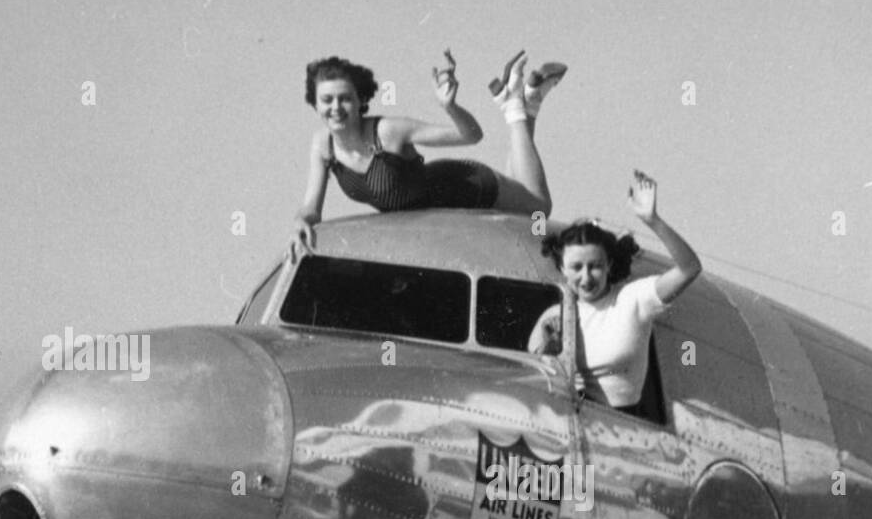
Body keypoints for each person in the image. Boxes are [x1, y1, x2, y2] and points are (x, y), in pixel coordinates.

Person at [290, 51, 565, 257]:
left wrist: (450, 106)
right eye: (326, 100)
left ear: (361, 99)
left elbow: (470, 136)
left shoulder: (388, 131)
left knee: (538, 210)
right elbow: (311, 208)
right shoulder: (322, 146)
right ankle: (522, 100)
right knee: (523, 200)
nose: (335, 107)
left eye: (345, 98)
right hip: (439, 215)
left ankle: (515, 106)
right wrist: (300, 222)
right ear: (314, 103)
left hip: (465, 187)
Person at [528, 172, 702, 413]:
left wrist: (653, 221)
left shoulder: (632, 299)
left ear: (609, 264)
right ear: (562, 269)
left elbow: (689, 268)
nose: (586, 277)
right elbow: (534, 380)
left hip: (626, 423)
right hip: (578, 420)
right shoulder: (556, 317)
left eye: (595, 266)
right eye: (577, 268)